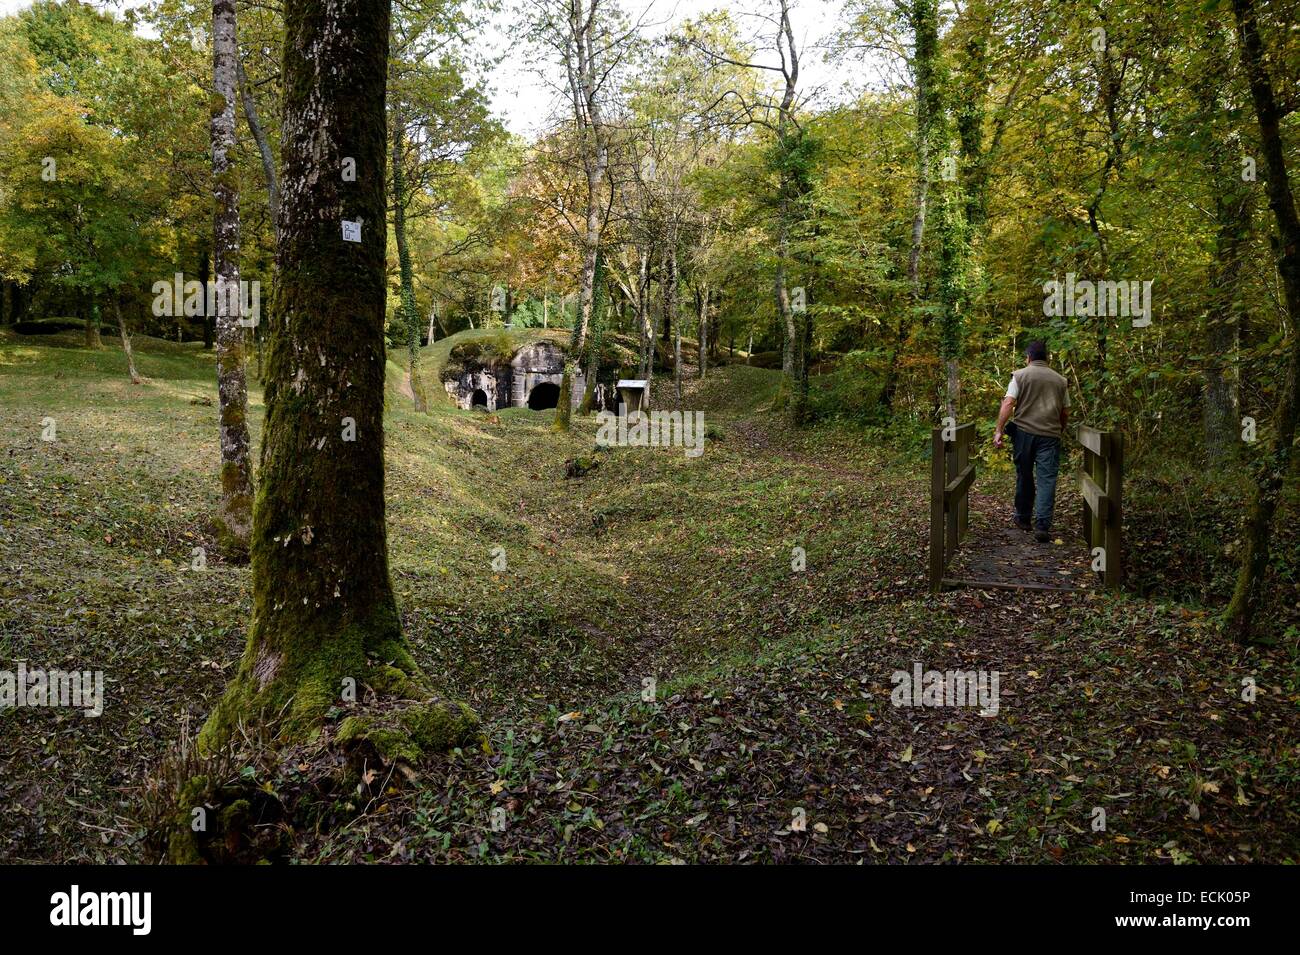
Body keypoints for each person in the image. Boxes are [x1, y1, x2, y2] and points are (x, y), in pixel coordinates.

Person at [993, 341, 1070, 543]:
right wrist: (1059, 429)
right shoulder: (1061, 380)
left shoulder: (1019, 375)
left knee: (1024, 475)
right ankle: (1043, 525)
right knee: (1047, 479)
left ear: (1028, 357)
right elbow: (1064, 412)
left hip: (1024, 433)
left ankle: (1024, 518)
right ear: (1047, 358)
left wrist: (999, 430)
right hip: (1050, 436)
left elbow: (1009, 402)